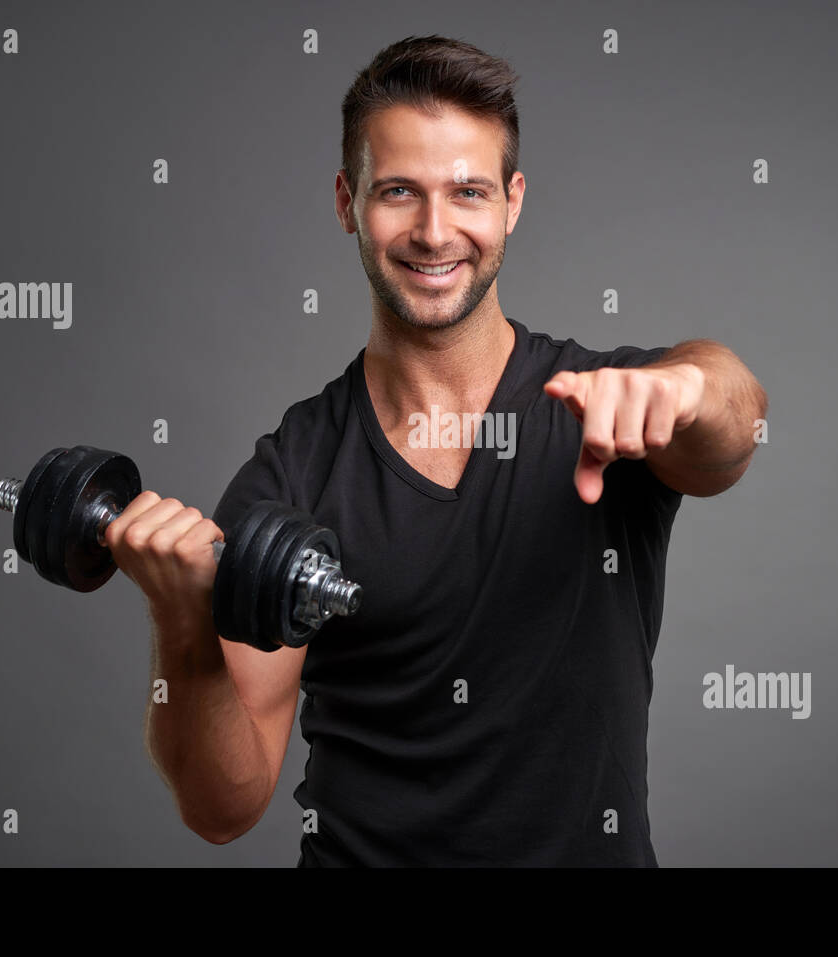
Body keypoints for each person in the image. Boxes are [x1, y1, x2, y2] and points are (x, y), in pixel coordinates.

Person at [105, 34, 768, 866]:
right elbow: (223, 807)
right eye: (397, 192)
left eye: (467, 191)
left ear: (512, 202)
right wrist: (182, 624)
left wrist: (688, 391)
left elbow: (734, 424)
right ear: (347, 201)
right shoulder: (293, 471)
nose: (433, 230)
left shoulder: (606, 402)